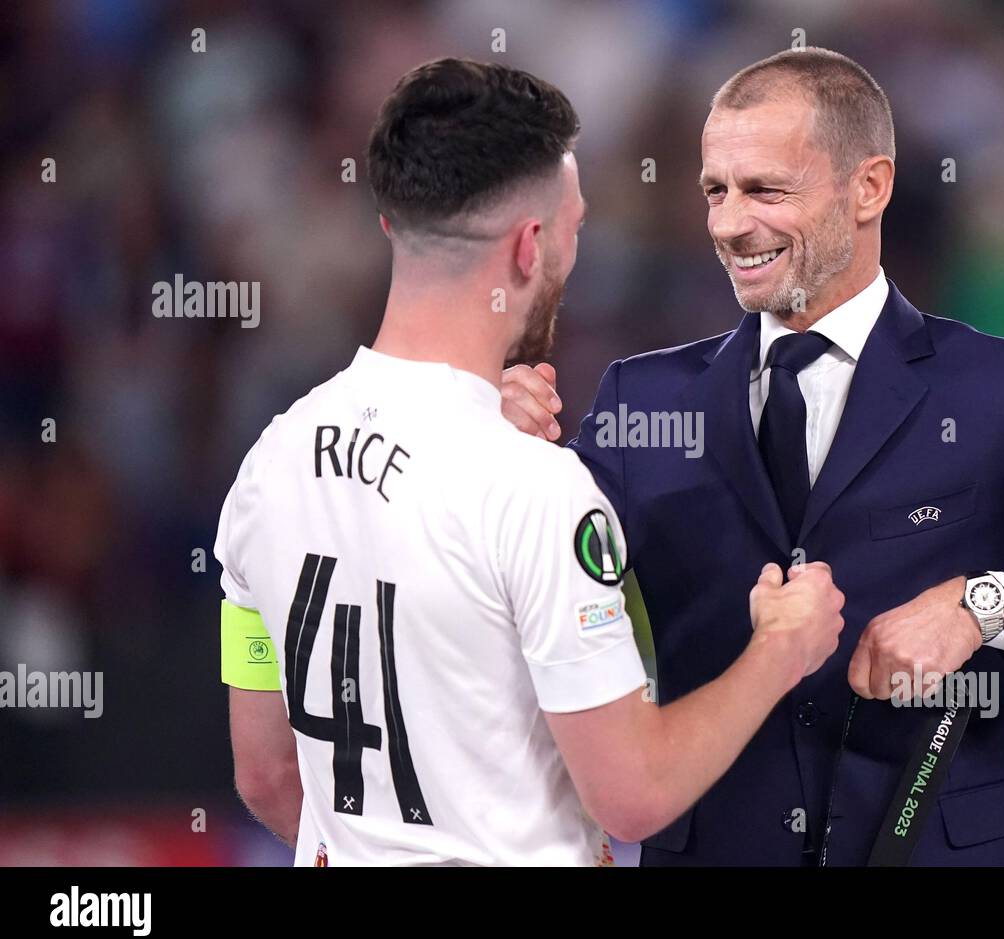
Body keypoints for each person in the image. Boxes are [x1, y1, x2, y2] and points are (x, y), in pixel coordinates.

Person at [500, 47, 1004, 866]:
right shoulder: (645, 400)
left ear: (869, 188)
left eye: (765, 189)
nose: (728, 224)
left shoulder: (999, 389)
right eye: (717, 190)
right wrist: (506, 458)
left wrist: (982, 607)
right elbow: (521, 586)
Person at [214, 57, 843, 866]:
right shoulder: (533, 489)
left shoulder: (271, 462)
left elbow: (266, 775)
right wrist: (779, 651)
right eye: (575, 231)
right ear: (529, 247)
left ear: (392, 226)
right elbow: (633, 794)